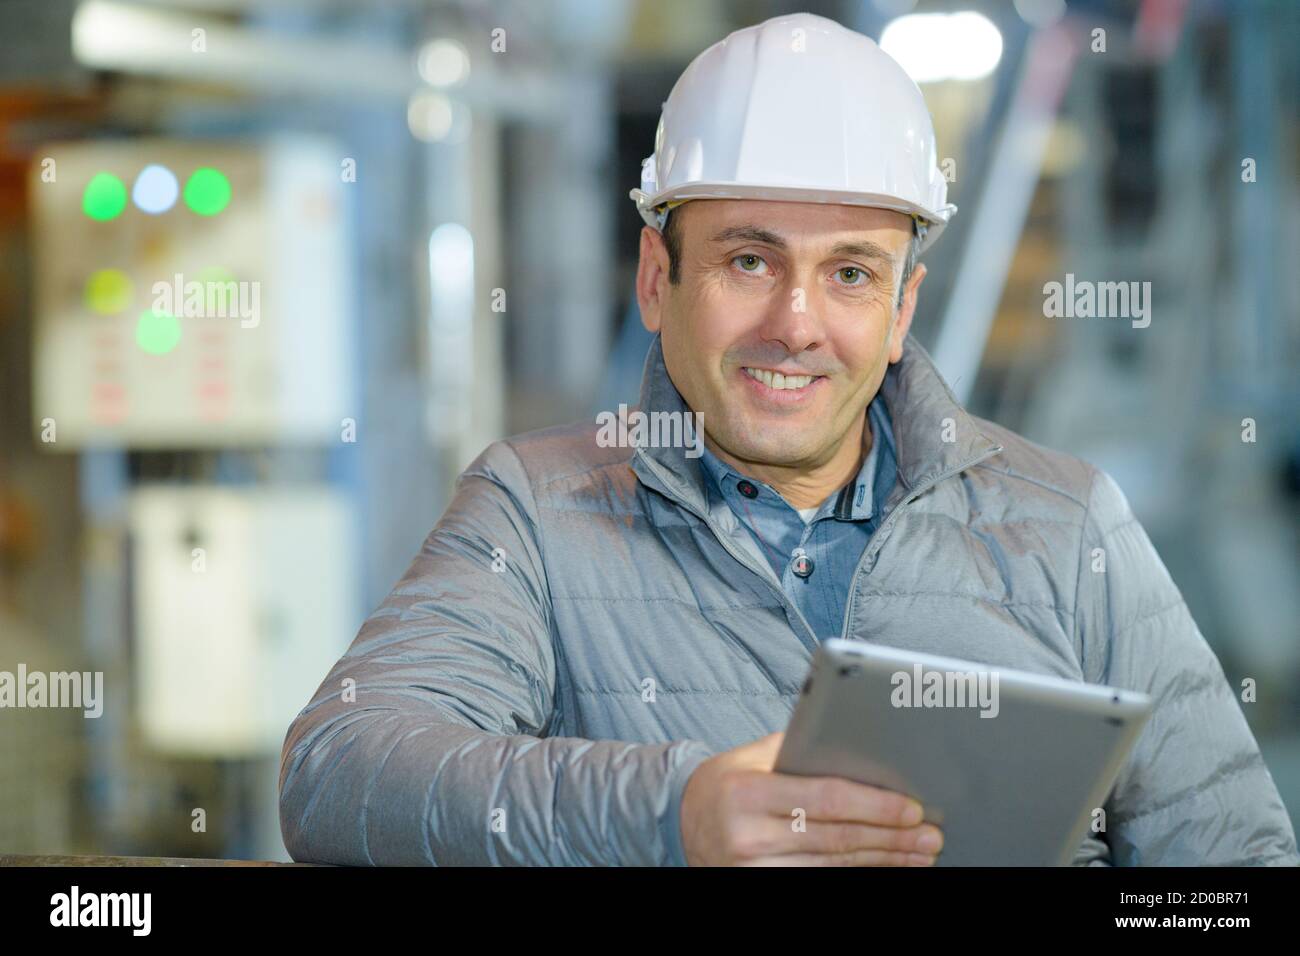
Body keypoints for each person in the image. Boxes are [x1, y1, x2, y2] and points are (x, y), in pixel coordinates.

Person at [279, 12, 1298, 866]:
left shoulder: (1064, 519)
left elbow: (1233, 872)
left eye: (850, 271)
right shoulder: (539, 510)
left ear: (903, 308)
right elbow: (340, 772)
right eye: (748, 260)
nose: (796, 323)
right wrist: (671, 811)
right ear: (654, 276)